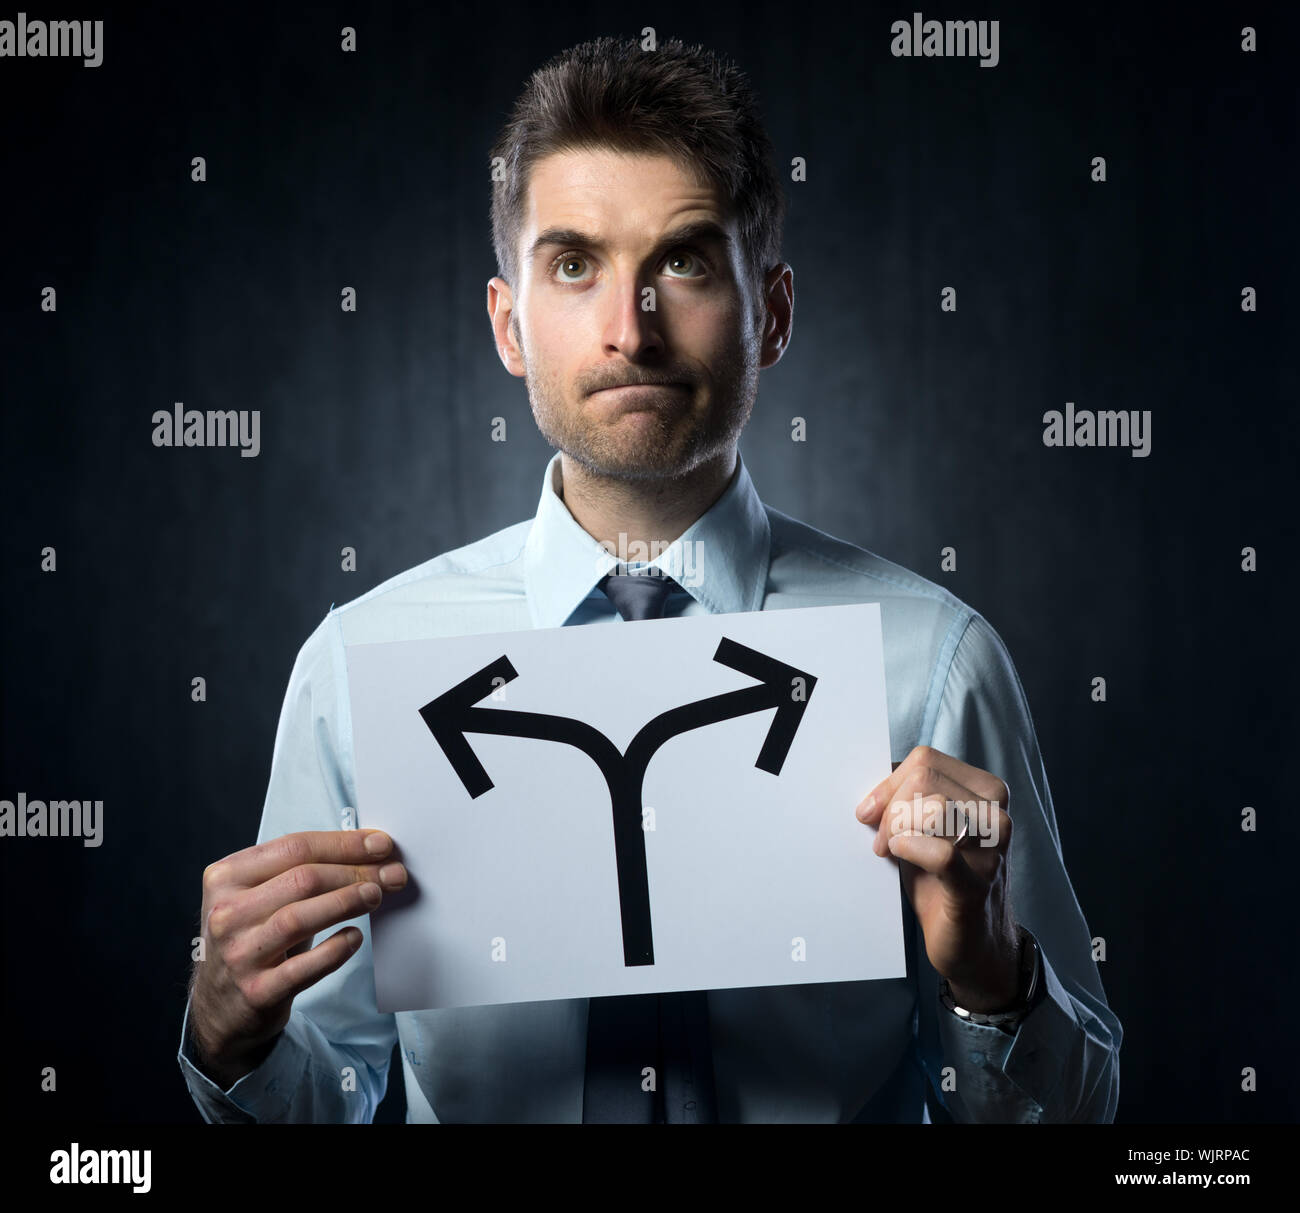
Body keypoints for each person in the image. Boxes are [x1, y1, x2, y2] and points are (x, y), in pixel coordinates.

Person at [178, 35, 1120, 1123]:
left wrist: (993, 981)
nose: (630, 330)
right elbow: (322, 1101)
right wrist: (225, 1037)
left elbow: (1080, 1117)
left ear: (770, 312)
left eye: (682, 260)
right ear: (507, 325)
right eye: (573, 264)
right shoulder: (356, 667)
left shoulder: (935, 660)